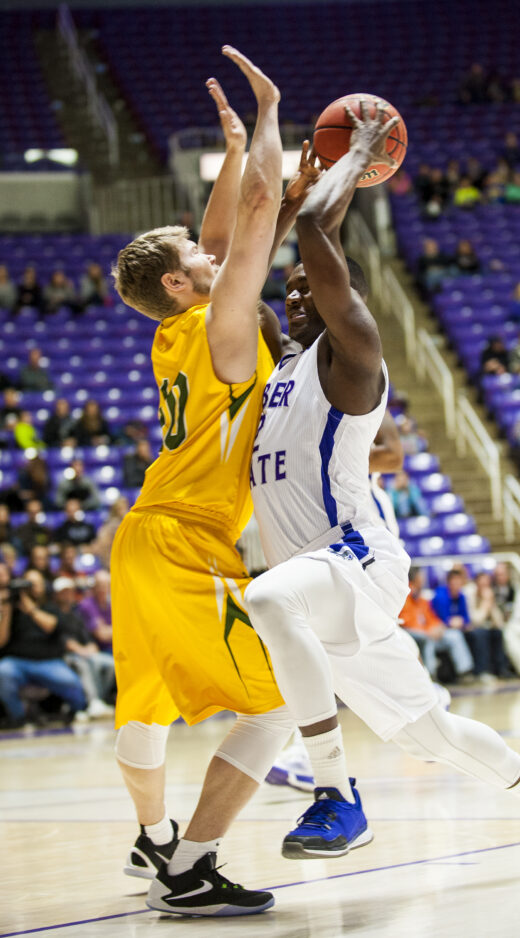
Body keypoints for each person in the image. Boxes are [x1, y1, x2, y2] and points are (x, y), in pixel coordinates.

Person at [243, 100, 520, 872]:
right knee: (427, 733)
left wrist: (353, 158)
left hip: (354, 556)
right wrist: (291, 202)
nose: (294, 297)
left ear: (342, 299)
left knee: (265, 598)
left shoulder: (354, 355)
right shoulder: (280, 364)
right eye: (290, 291)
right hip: (318, 580)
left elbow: (319, 240)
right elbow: (241, 286)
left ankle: (336, 794)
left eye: (308, 288)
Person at [109, 48, 316, 918]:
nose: (211, 251)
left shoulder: (179, 328)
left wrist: (231, 152)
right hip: (183, 541)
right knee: (280, 703)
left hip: (144, 537)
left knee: (145, 703)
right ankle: (189, 867)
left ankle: (152, 837)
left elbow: (226, 240)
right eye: (195, 253)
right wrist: (268, 116)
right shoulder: (222, 329)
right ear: (177, 282)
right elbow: (258, 216)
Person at [0, 568, 87, 729]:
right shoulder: (12, 609)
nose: (33, 588)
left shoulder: (50, 606)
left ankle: (78, 711)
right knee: (3, 671)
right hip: (18, 662)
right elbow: (1, 640)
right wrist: (7, 608)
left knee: (70, 681)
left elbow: (52, 626)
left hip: (48, 662)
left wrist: (30, 609)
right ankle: (18, 718)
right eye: (29, 584)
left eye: (36, 584)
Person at [55, 576, 115, 719]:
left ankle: (98, 701)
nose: (67, 595)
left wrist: (91, 647)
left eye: (69, 591)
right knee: (85, 664)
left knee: (111, 664)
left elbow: (88, 636)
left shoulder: (75, 613)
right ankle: (92, 702)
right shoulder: (54, 612)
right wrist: (81, 650)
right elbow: (63, 639)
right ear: (56, 595)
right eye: (63, 592)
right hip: (66, 655)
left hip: (84, 652)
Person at [401, 569, 473, 681]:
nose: (423, 582)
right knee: (427, 639)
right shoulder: (403, 600)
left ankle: (465, 672)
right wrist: (427, 631)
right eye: (420, 580)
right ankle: (431, 676)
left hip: (429, 633)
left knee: (455, 635)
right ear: (412, 582)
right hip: (414, 635)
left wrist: (438, 627)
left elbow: (432, 618)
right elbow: (406, 622)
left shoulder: (422, 600)